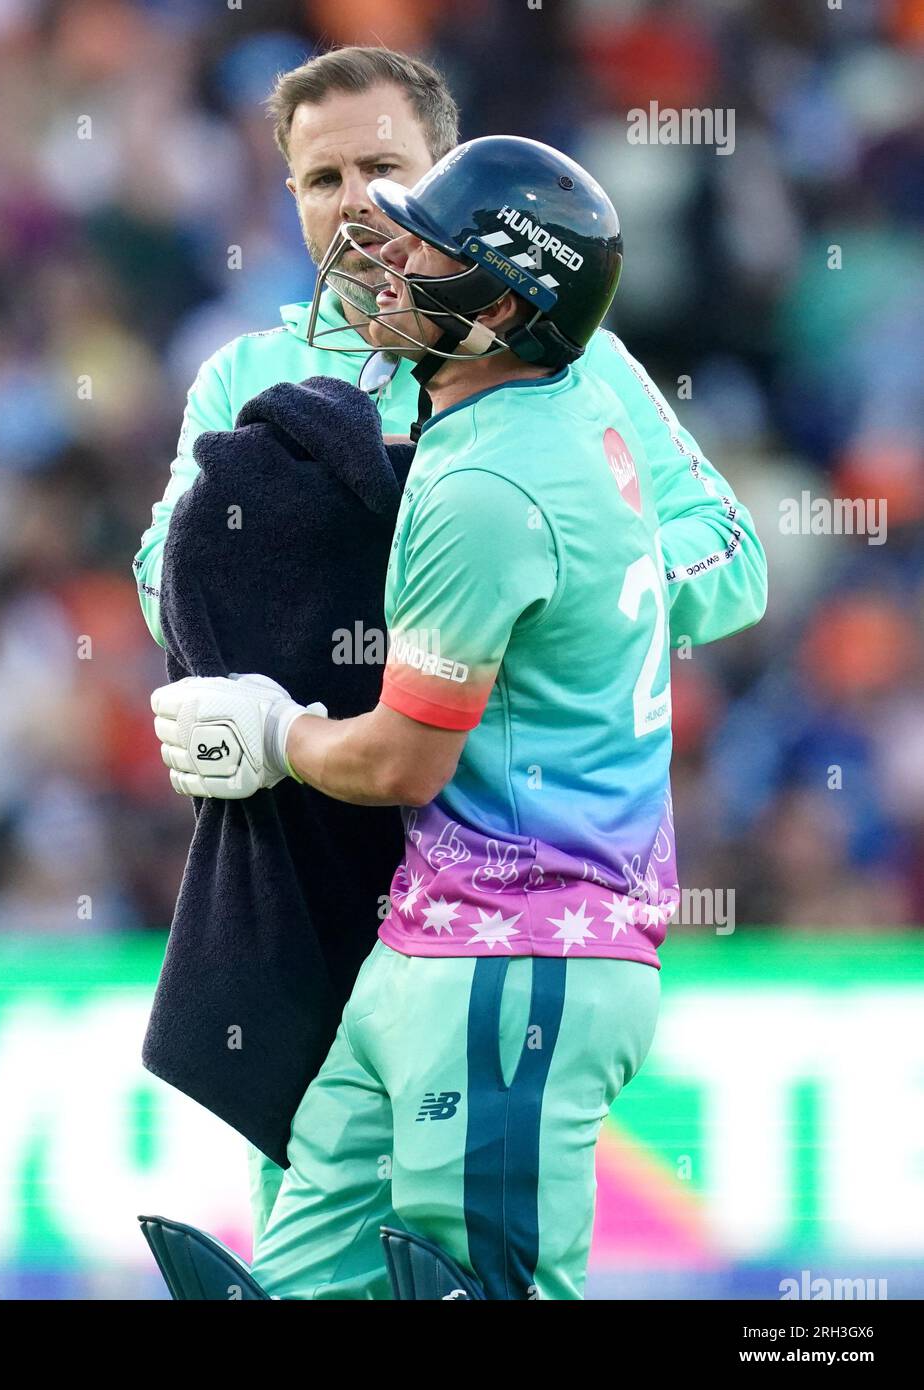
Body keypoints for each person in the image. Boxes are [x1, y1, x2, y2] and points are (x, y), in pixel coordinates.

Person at [137, 44, 766, 1270]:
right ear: (287, 196)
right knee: (315, 1229)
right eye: (320, 179)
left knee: (467, 1249)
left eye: (385, 169)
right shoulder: (248, 374)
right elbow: (169, 579)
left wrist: (541, 616)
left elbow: (727, 556)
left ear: (449, 177)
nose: (353, 205)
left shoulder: (566, 365)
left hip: (502, 848)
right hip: (320, 862)